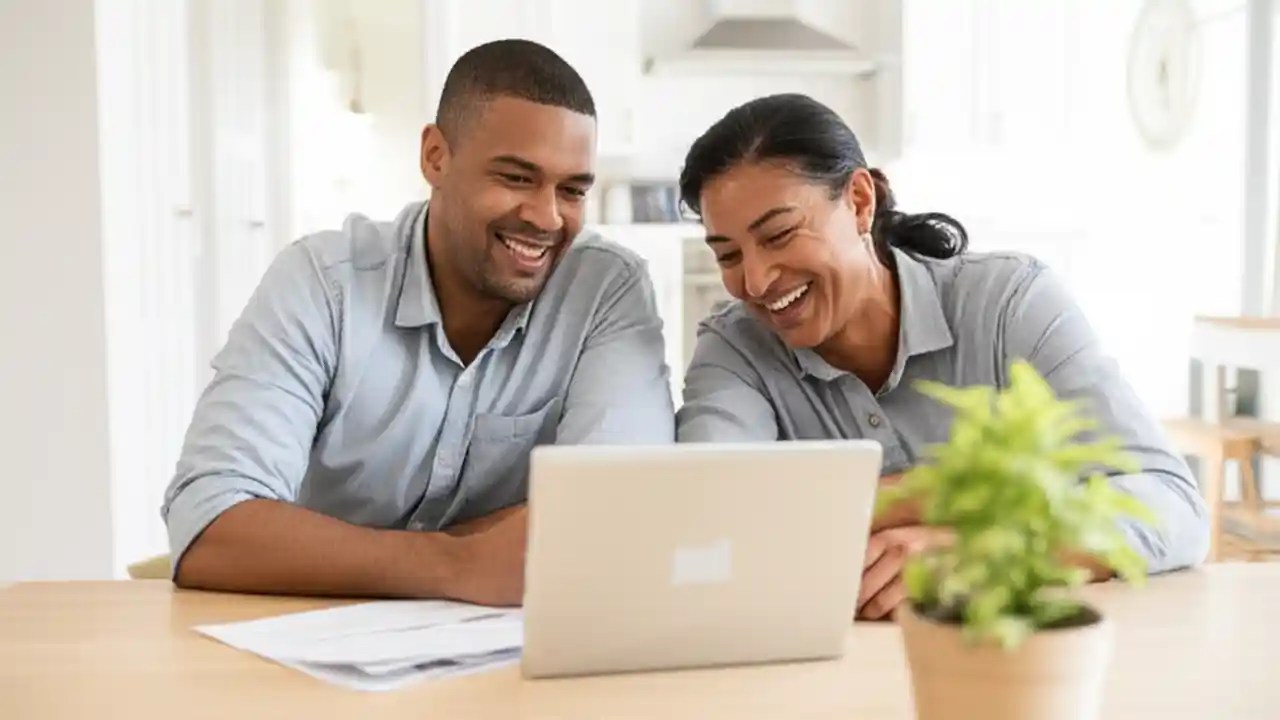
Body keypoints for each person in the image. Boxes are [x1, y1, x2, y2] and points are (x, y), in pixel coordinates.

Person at [163, 40, 674, 605]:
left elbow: (615, 517)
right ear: (435, 157)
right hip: (309, 637)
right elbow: (209, 523)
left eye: (572, 190)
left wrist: (358, 552)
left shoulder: (604, 291)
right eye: (516, 178)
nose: (547, 217)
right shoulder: (323, 284)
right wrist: (459, 564)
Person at [675, 93, 1209, 620]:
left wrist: (983, 552)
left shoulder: (1009, 303)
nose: (755, 281)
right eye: (728, 255)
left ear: (859, 201)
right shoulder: (735, 348)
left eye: (779, 235)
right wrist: (960, 494)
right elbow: (707, 518)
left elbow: (1170, 504)